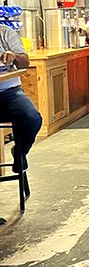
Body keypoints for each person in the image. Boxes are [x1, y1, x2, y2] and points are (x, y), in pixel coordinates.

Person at [0, 25, 42, 172]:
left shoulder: (5, 32)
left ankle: (20, 151)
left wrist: (14, 56)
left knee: (32, 118)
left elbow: (25, 62)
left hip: (8, 91)